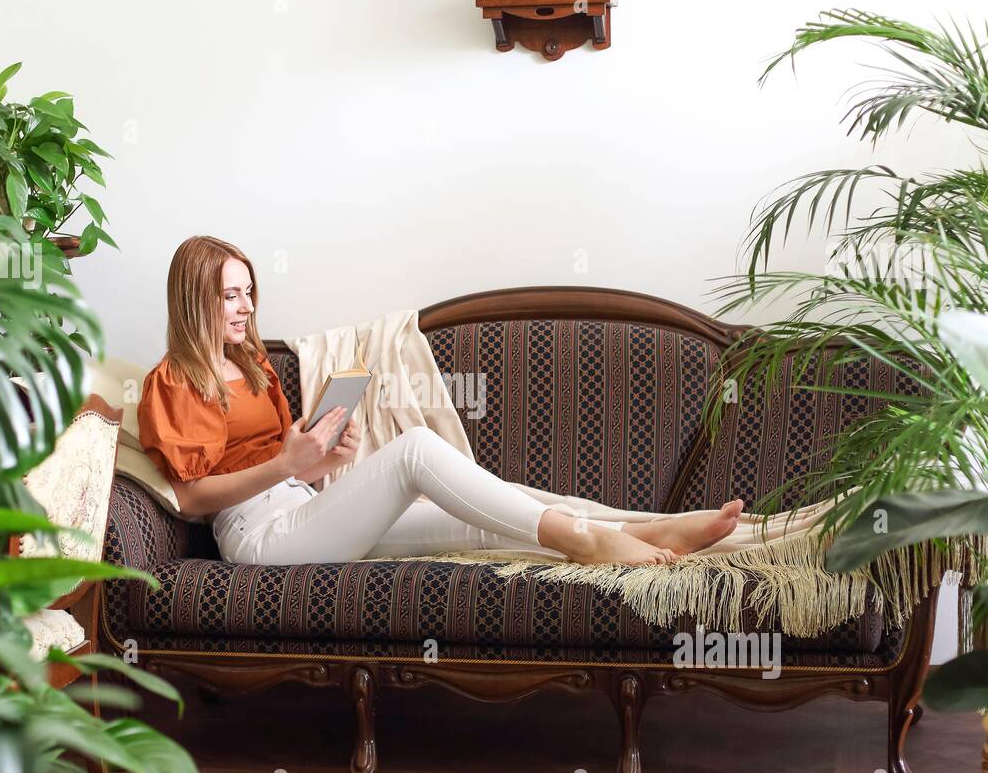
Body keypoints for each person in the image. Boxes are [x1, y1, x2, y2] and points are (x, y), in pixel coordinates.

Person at [137, 235, 743, 567]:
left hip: (302, 504)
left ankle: (652, 530)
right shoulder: (172, 381)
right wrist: (284, 466)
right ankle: (589, 541)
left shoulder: (252, 365)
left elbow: (288, 463)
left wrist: (320, 458)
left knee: (478, 515)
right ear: (194, 301)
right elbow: (189, 500)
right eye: (230, 296)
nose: (246, 307)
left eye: (248, 292)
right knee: (417, 450)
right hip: (259, 537)